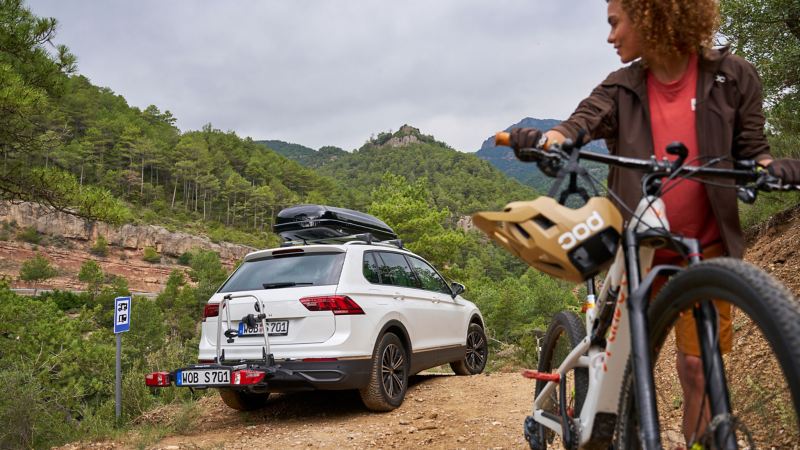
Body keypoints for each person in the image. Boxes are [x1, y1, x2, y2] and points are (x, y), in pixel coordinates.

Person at [507, 0, 800, 446]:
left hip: (705, 251)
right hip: (638, 251)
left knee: (699, 368)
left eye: (614, 23)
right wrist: (550, 140)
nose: (610, 36)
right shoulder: (622, 86)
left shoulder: (734, 77)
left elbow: (752, 147)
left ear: (650, 16)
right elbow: (579, 124)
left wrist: (769, 167)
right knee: (626, 371)